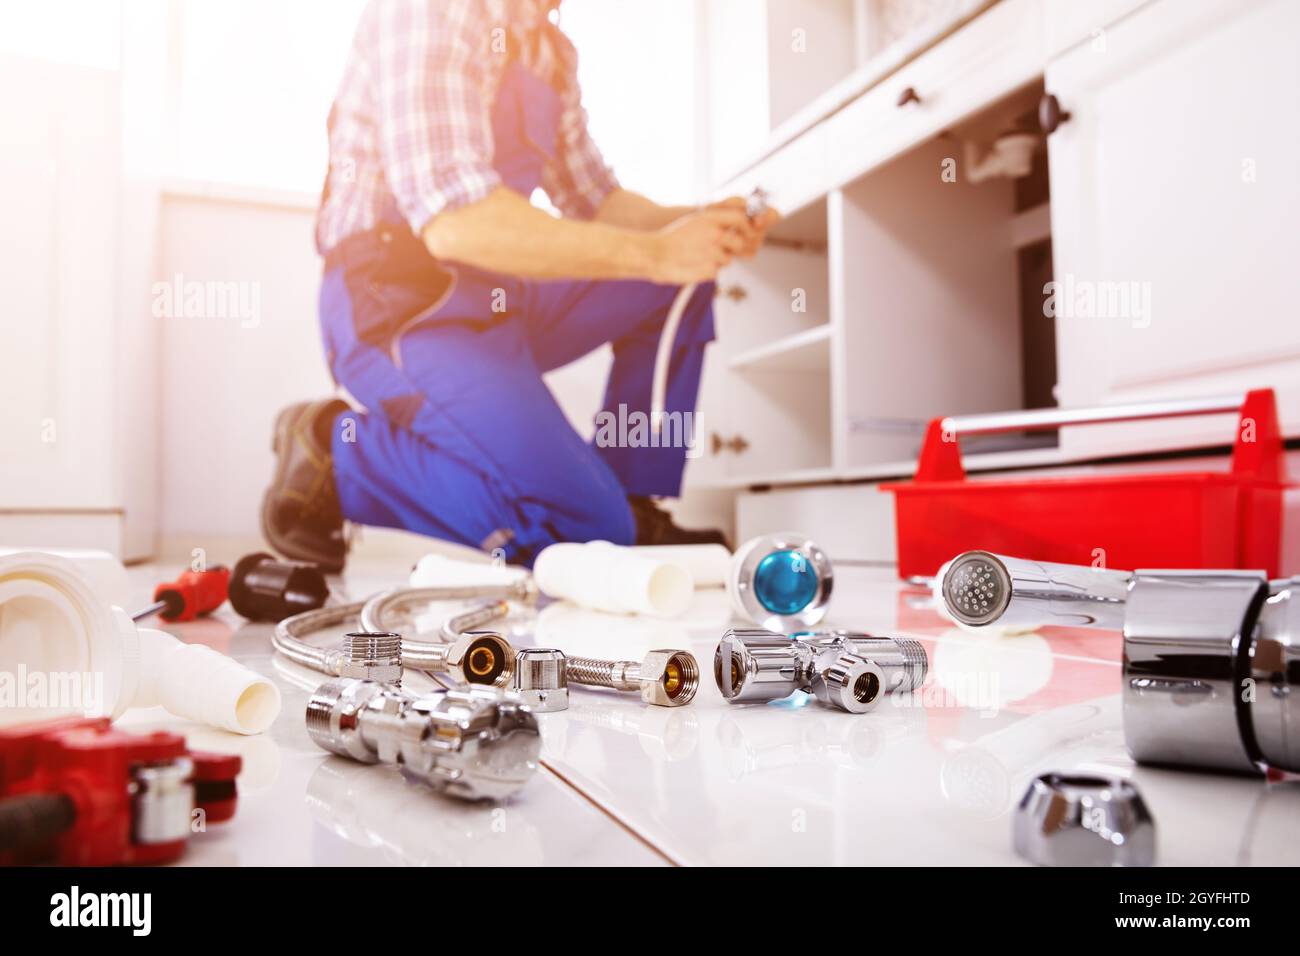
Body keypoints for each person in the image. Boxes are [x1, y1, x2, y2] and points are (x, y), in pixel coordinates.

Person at [261, 0, 779, 572]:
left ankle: (633, 506)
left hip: (495, 294)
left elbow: (596, 200)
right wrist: (661, 251)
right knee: (584, 532)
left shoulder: (549, 52)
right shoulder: (429, 12)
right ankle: (340, 457)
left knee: (681, 282)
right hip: (397, 303)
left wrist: (704, 227)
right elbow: (456, 224)